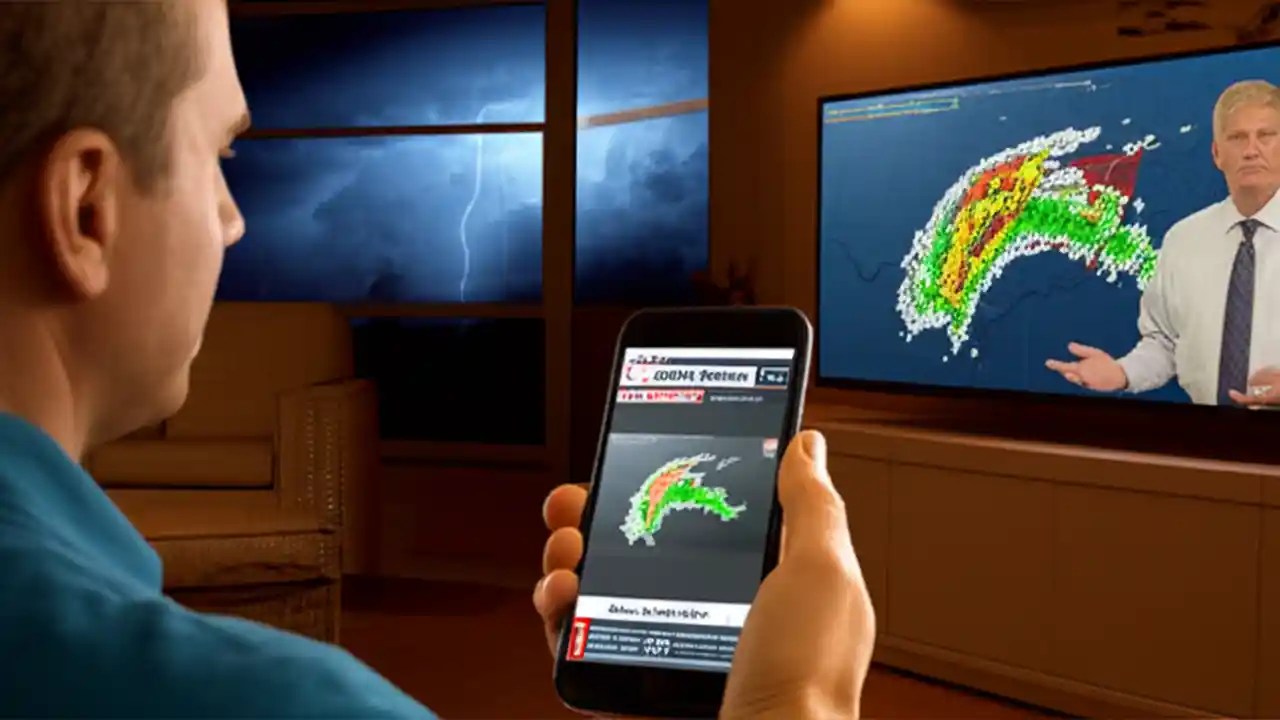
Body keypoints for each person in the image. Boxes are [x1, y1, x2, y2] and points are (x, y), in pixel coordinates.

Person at [0, 2, 875, 717]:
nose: (233, 219)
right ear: (87, 208)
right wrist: (794, 700)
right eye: (218, 155)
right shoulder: (292, 706)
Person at [1046, 80, 1280, 408]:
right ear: (1217, 153)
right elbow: (1164, 344)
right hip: (1205, 445)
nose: (1251, 150)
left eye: (1265, 136)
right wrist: (1123, 373)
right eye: (1237, 137)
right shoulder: (1184, 240)